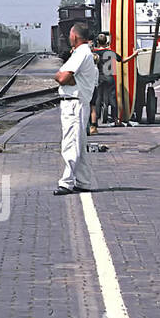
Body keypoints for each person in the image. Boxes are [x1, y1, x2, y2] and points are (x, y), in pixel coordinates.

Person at [53, 22, 98, 195]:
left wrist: (65, 78)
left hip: (74, 103)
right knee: (80, 143)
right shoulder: (83, 53)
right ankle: (83, 181)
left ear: (74, 36)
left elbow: (62, 77)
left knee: (71, 143)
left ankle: (66, 182)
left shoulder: (81, 53)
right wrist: (67, 78)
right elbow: (64, 77)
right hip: (75, 102)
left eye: (70, 35)